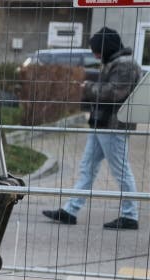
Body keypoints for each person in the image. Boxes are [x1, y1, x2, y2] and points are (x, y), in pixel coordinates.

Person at [43, 27, 142, 230]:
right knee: (87, 168)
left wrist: (87, 87)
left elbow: (115, 93)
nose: (95, 54)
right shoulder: (114, 63)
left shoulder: (125, 65)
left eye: (97, 50)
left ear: (105, 48)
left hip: (113, 126)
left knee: (121, 171)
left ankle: (130, 215)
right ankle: (70, 210)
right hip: (101, 123)